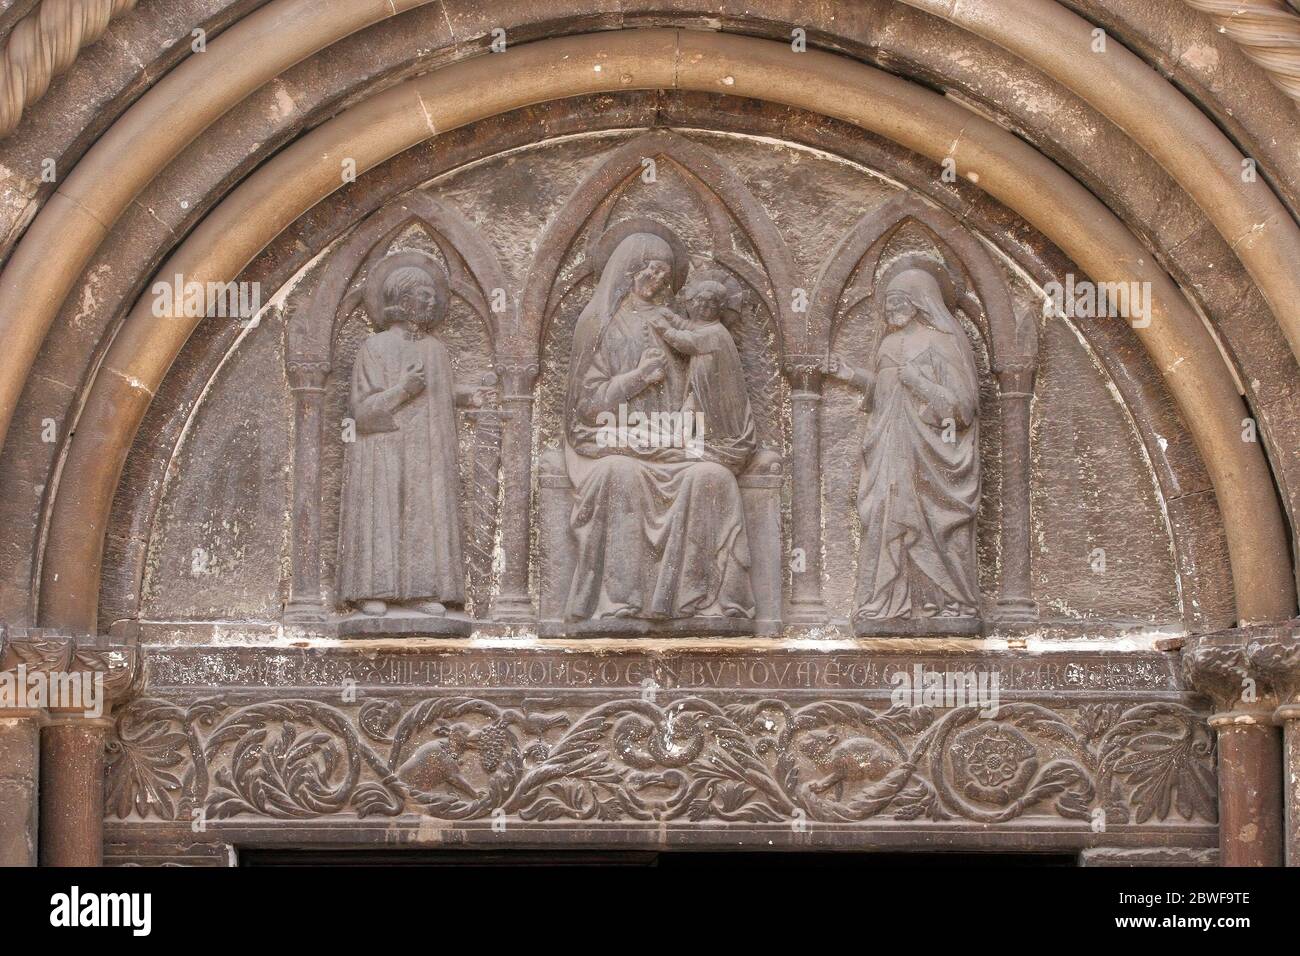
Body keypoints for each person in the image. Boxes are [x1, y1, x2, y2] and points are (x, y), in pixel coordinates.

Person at [564, 233, 755, 623]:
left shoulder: (678, 324)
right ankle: (620, 601)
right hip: (617, 440)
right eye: (650, 268)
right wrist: (637, 378)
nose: (658, 278)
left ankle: (695, 600)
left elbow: (706, 384)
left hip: (675, 443)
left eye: (665, 272)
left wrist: (692, 417)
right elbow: (586, 404)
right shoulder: (604, 325)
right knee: (620, 474)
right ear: (628, 270)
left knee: (713, 477)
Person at [824, 266, 981, 631]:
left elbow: (962, 407)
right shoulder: (888, 345)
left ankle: (948, 603)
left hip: (931, 454)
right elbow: (883, 393)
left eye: (898, 301)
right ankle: (888, 601)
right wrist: (851, 374)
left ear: (919, 302)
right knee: (885, 512)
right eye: (887, 302)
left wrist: (920, 382)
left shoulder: (940, 342)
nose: (890, 309)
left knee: (930, 522)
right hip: (890, 450)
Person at [337, 252, 488, 618]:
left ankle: (423, 590)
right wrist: (403, 390)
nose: (431, 300)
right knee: (384, 512)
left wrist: (468, 395)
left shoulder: (436, 350)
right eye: (423, 294)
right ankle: (373, 590)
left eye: (433, 295)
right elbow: (360, 412)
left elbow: (439, 395)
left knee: (424, 512)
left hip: (428, 450)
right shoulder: (375, 347)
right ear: (402, 300)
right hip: (384, 451)